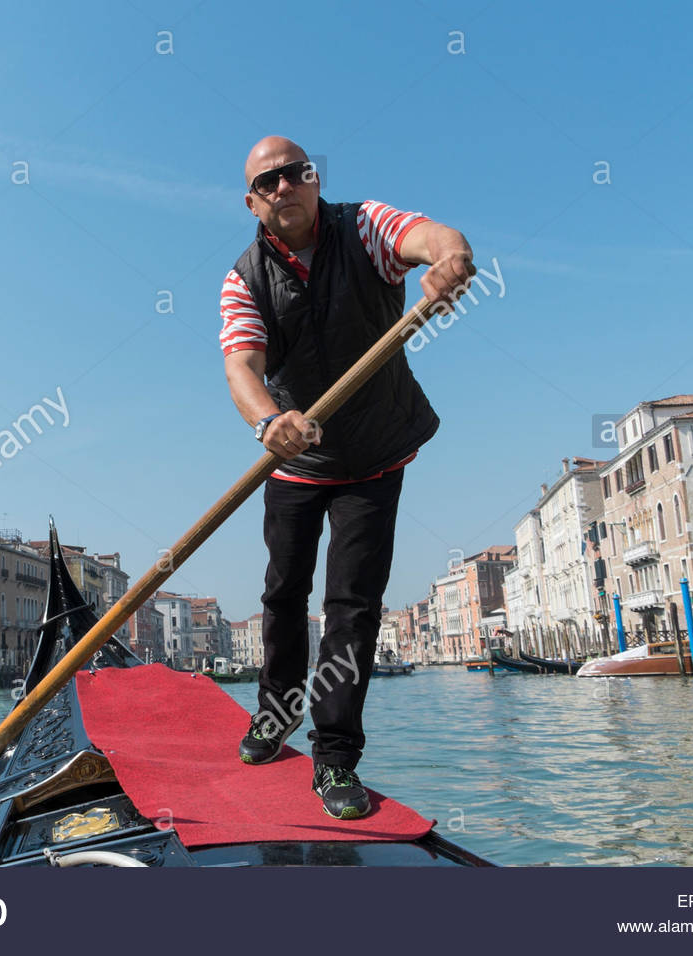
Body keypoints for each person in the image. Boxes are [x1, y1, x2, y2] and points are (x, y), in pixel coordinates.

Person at [220, 136, 473, 820]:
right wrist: (269, 422)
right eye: (267, 181)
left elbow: (425, 235)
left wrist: (448, 257)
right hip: (296, 456)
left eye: (295, 173)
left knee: (352, 605)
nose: (284, 186)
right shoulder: (243, 277)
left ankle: (333, 758)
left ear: (311, 179)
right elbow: (242, 366)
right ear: (252, 201)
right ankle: (274, 716)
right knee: (281, 594)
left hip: (374, 452)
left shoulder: (361, 226)